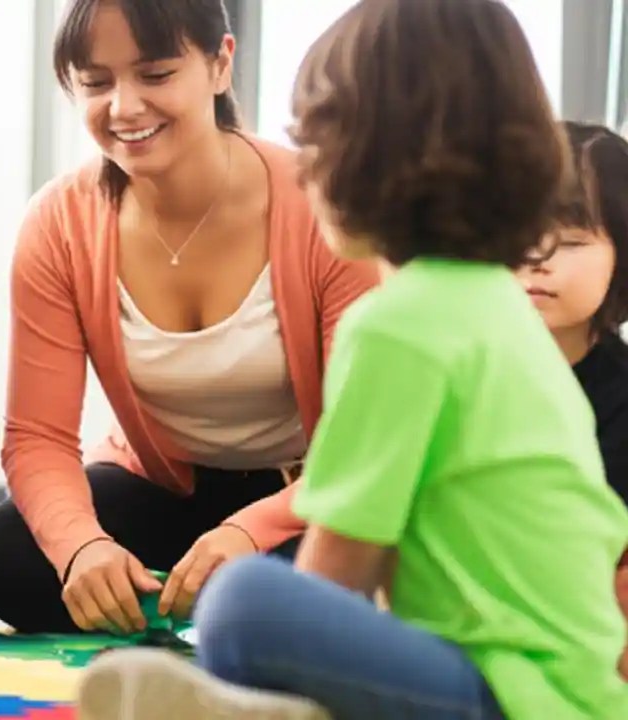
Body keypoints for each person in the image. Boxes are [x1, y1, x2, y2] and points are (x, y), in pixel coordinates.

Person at [77, 1, 628, 719]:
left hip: (501, 696)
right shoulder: (496, 306)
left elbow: (337, 566)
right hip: (569, 689)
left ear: (371, 159)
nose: (302, 174)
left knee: (244, 603)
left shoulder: (400, 323)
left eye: (314, 142)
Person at [0, 0, 378, 634]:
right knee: (5, 556)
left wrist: (252, 529)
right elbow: (37, 439)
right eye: (97, 83)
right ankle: (192, 612)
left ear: (220, 65)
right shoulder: (58, 222)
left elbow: (366, 445)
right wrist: (84, 549)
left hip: (312, 494)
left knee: (331, 576)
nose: (124, 107)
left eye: (155, 75)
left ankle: (223, 614)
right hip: (166, 489)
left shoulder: (326, 206)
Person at [520, 121, 628, 504]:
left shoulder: (620, 398)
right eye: (518, 235)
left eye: (570, 242)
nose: (536, 259)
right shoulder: (457, 363)